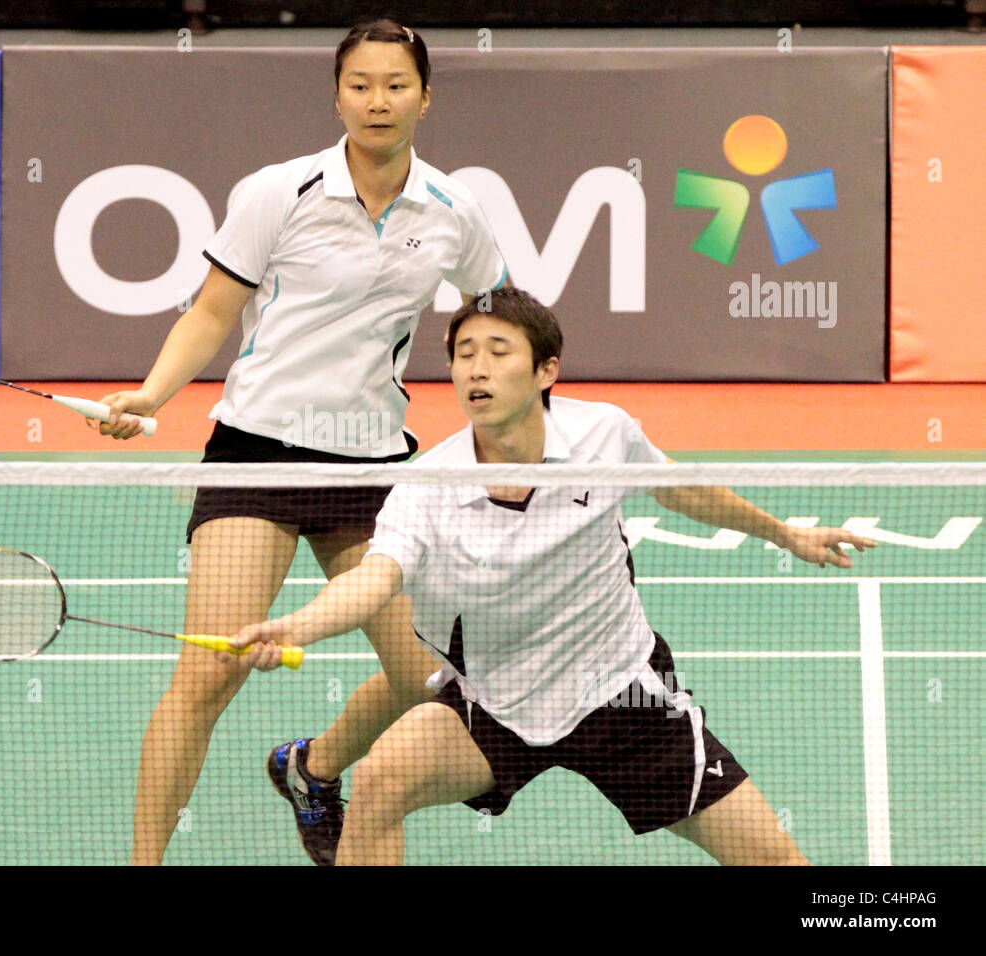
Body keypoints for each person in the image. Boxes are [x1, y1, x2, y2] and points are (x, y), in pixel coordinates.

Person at [230, 287, 877, 865]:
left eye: (498, 351)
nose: (476, 368)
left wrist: (785, 533)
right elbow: (375, 580)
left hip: (625, 698)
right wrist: (294, 625)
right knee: (377, 784)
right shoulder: (426, 488)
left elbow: (681, 489)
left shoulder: (603, 433)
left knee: (771, 858)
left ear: (546, 370)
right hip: (496, 705)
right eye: (463, 354)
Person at [97, 18, 508, 865]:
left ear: (425, 97)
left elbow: (500, 311)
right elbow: (211, 313)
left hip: (374, 467)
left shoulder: (454, 211)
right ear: (337, 94)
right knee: (210, 673)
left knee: (431, 683)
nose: (377, 100)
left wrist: (510, 411)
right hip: (260, 453)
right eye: (360, 83)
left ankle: (315, 769)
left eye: (395, 84)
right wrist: (152, 394)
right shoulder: (276, 192)